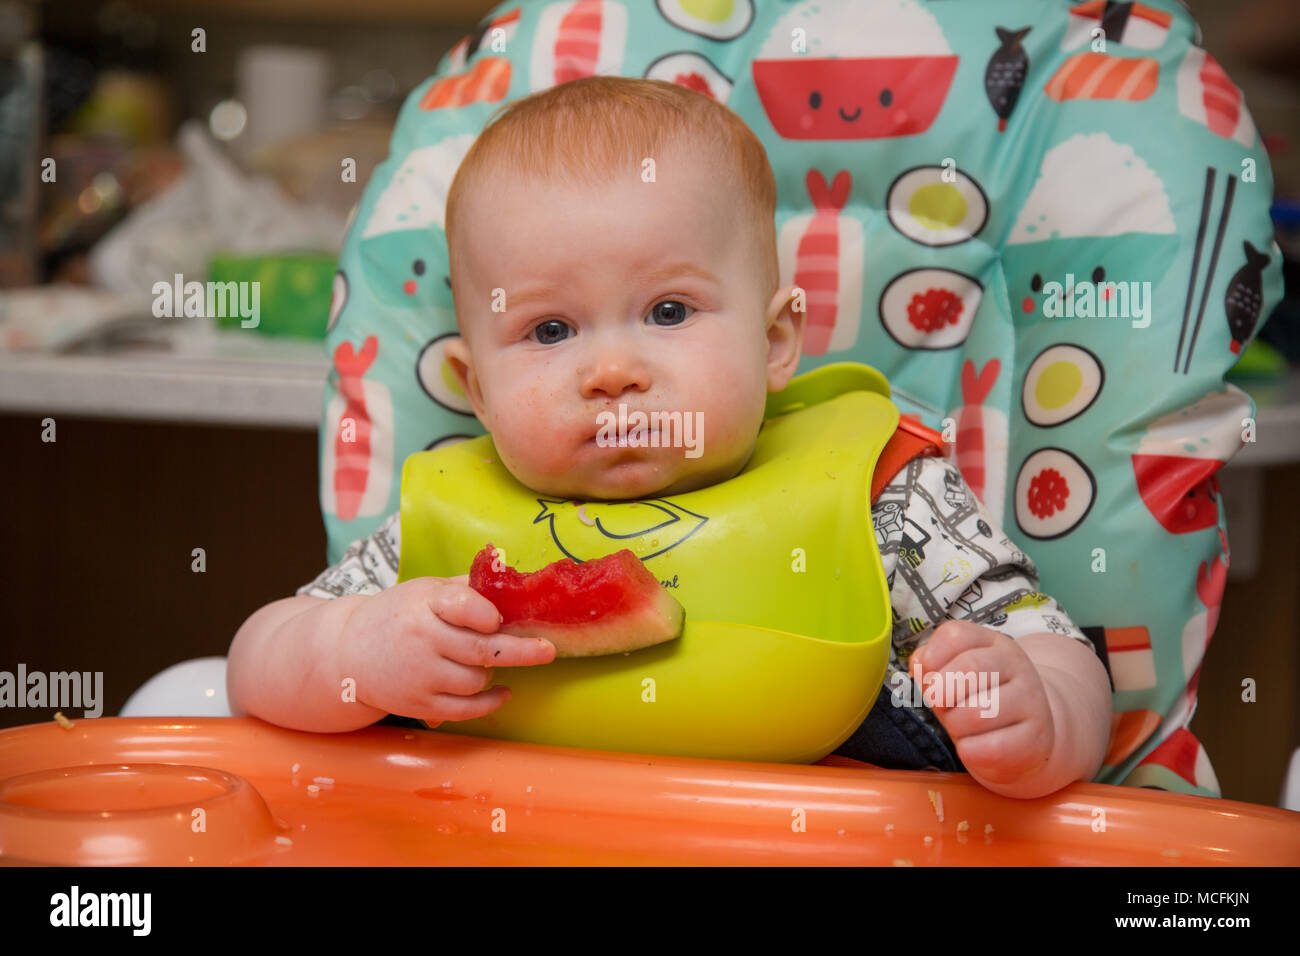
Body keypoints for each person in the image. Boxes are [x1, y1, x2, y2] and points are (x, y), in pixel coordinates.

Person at [228, 77, 1111, 799]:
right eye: (548, 332)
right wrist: (356, 653)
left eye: (668, 311)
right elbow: (255, 665)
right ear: (478, 392)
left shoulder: (885, 496)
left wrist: (1035, 718)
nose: (611, 370)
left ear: (773, 345)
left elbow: (1063, 657)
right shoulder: (450, 529)